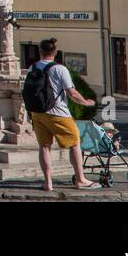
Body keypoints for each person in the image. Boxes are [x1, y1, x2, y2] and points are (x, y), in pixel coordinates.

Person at [25, 38, 99, 191]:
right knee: (75, 143)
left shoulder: (32, 68)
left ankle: (48, 183)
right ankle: (80, 179)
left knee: (44, 147)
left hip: (37, 113)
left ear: (40, 52)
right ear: (55, 52)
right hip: (58, 113)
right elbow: (71, 92)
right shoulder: (59, 69)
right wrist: (86, 102)